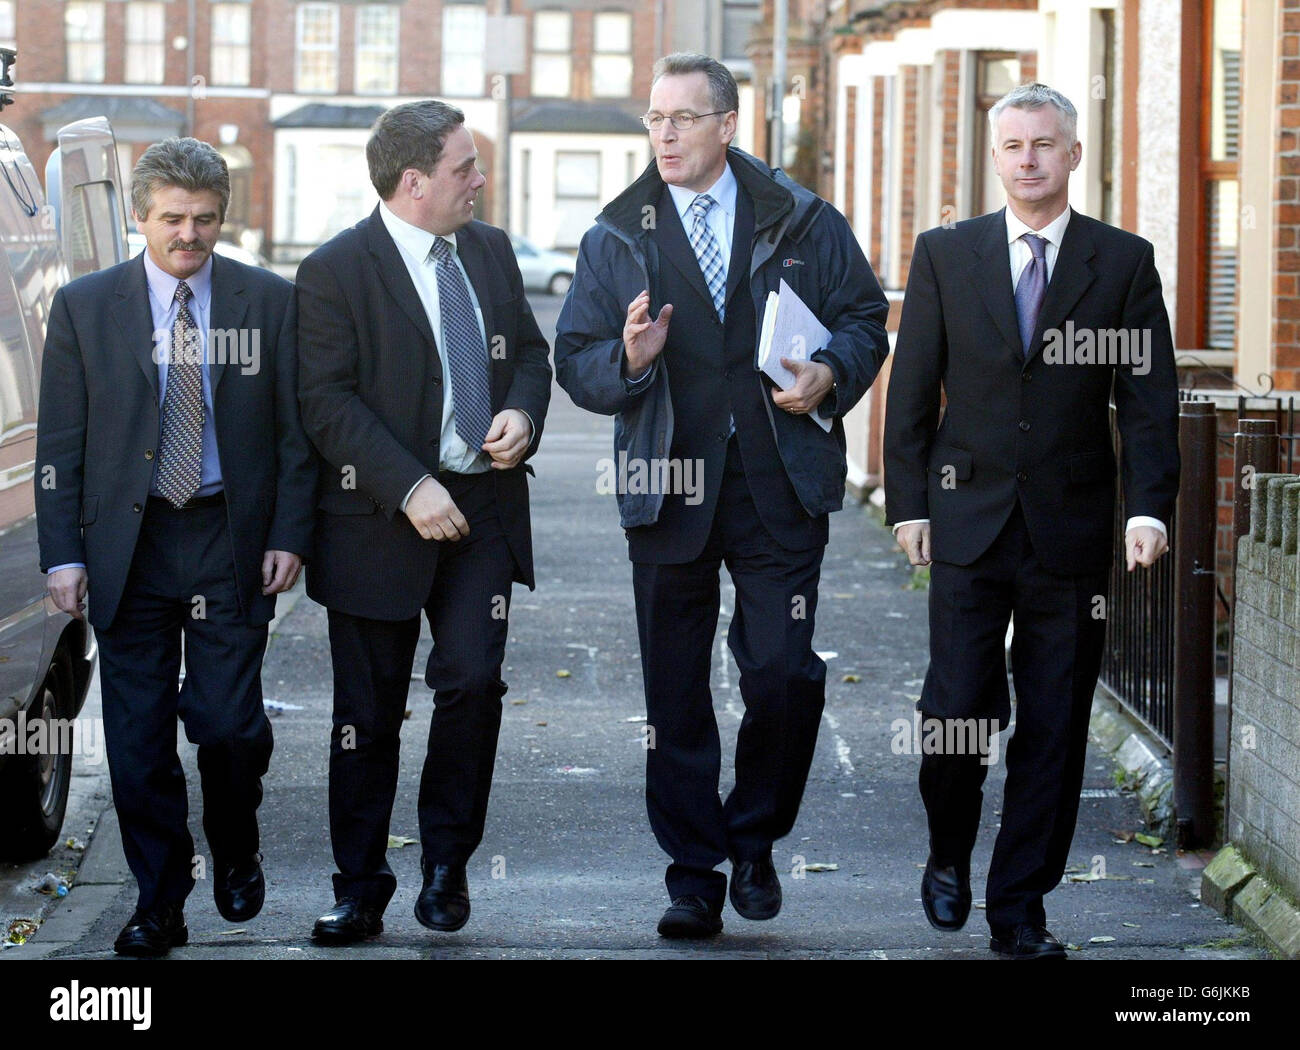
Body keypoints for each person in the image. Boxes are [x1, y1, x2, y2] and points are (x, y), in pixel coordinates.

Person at [554, 52, 889, 939]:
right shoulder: (617, 232)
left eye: (683, 119)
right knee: (675, 692)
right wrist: (625, 361)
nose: (664, 134)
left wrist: (830, 373)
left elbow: (865, 318)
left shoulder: (802, 218)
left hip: (780, 479)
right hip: (665, 486)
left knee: (782, 673)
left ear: (728, 125)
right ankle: (693, 871)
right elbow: (574, 360)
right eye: (654, 120)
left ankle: (755, 838)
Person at [884, 83, 1180, 959]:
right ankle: (947, 852)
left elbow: (1149, 402)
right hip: (966, 523)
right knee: (957, 712)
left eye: (1044, 145)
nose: (1028, 160)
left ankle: (1020, 911)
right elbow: (911, 393)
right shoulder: (946, 254)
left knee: (1054, 726)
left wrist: (1150, 509)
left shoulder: (1122, 262)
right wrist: (908, 505)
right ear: (995, 157)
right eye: (1012, 146)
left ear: (1073, 155)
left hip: (1072, 534)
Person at [35, 137, 316, 957]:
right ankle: (159, 900)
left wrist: (291, 535)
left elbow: (298, 436)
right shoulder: (86, 307)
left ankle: (236, 844)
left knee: (228, 727)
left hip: (231, 537)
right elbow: (62, 442)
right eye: (172, 220)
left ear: (223, 218)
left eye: (204, 220)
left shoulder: (270, 301)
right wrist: (64, 554)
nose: (188, 236)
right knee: (137, 741)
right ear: (139, 216)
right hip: (131, 543)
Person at [296, 100, 551, 944]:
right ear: (414, 183)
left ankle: (447, 867)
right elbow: (324, 401)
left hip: (480, 505)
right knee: (366, 713)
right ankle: (359, 887)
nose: (480, 180)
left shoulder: (490, 249)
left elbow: (531, 356)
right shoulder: (336, 269)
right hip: (378, 516)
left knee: (473, 683)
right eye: (464, 168)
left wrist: (520, 412)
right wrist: (407, 486)